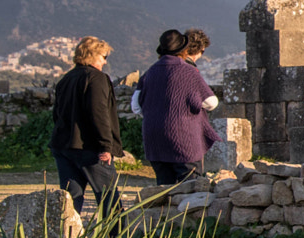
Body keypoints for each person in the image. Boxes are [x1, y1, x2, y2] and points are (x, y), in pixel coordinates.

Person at [134, 28, 220, 186]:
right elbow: (211, 102)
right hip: (183, 140)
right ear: (184, 50)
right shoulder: (188, 72)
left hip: (154, 139)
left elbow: (136, 106)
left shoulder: (149, 72)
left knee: (164, 188)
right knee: (191, 187)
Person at [50, 36, 123, 220]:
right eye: (103, 56)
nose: (105, 61)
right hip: (90, 149)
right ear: (93, 56)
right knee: (109, 200)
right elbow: (99, 113)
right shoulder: (96, 78)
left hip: (64, 146)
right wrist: (106, 146)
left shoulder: (65, 79)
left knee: (70, 202)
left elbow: (57, 114)